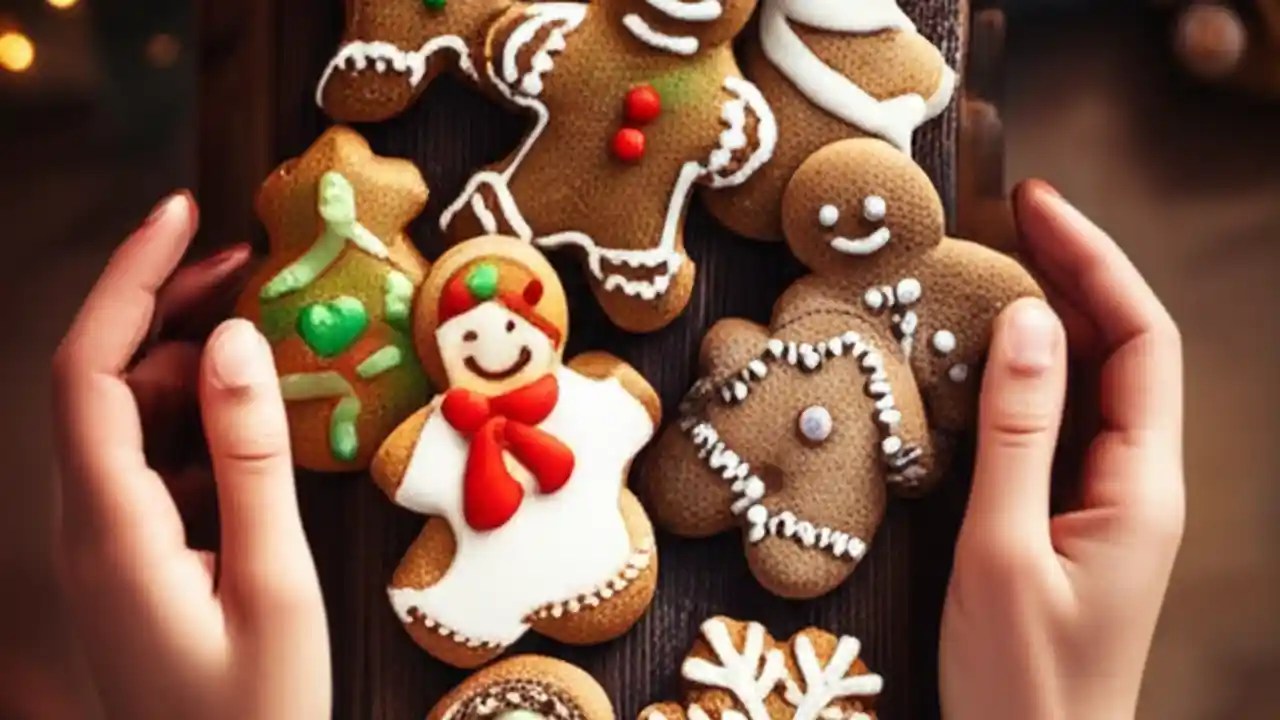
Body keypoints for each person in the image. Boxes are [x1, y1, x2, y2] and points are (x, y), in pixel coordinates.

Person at [50, 182, 1184, 719]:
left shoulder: (591, 401)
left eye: (504, 326)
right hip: (482, 596)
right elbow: (408, 466)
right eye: (470, 330)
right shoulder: (445, 426)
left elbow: (624, 404)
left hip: (596, 547)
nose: (488, 344)